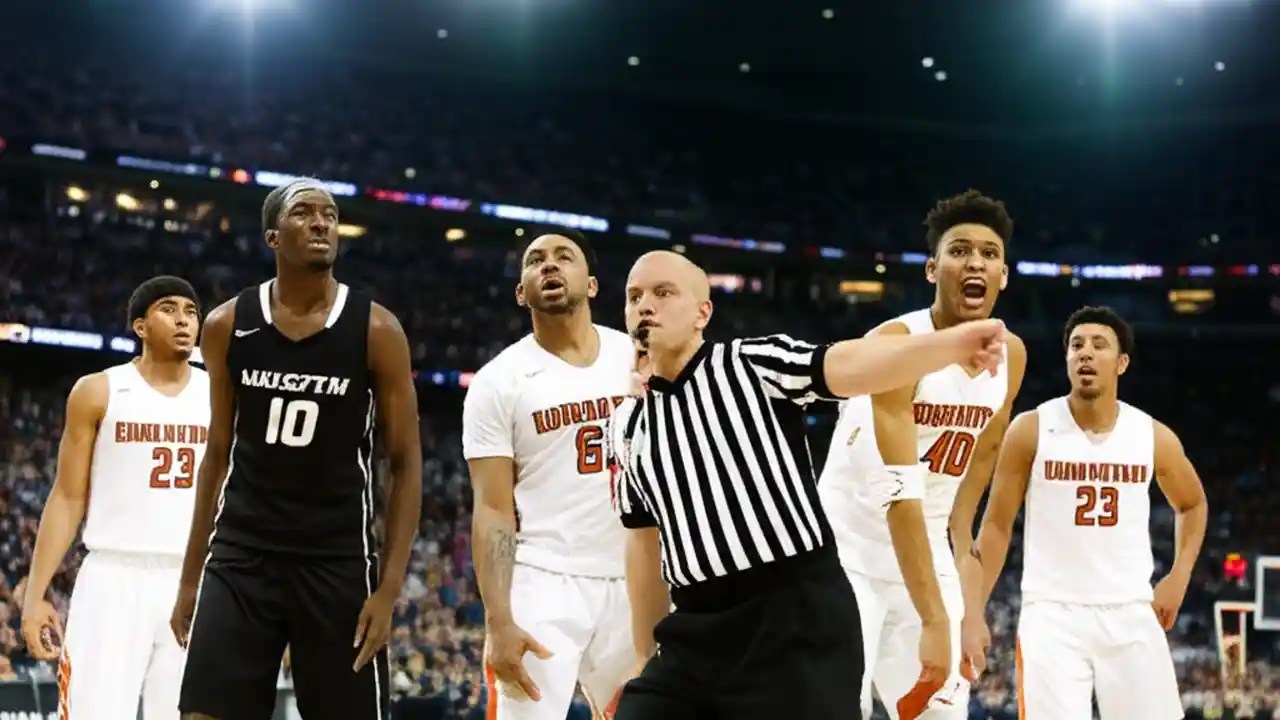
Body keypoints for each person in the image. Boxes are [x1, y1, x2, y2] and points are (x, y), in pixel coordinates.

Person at [608, 250, 1007, 720]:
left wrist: (949, 346)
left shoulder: (750, 364)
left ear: (703, 313)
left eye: (663, 292)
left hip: (796, 617)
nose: (644, 305)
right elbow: (642, 543)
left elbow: (850, 363)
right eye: (634, 296)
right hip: (695, 628)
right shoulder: (626, 425)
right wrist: (643, 653)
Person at [171, 180, 422, 720]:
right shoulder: (226, 325)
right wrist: (192, 578)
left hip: (336, 558)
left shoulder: (377, 329)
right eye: (304, 212)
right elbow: (216, 453)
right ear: (272, 236)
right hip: (243, 553)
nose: (321, 223)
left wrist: (389, 588)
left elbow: (405, 464)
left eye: (330, 215)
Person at [816, 190, 1027, 719]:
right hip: (847, 556)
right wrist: (936, 620)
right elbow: (899, 496)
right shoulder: (894, 344)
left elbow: (965, 502)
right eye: (959, 250)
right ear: (933, 269)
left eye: (988, 252)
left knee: (941, 713)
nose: (975, 261)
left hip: (927, 553)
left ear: (1003, 274)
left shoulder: (1012, 357)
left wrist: (967, 603)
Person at [972, 306, 1207, 719]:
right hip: (1052, 613)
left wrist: (1180, 574)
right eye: (1076, 345)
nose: (1086, 353)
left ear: (1121, 363)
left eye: (1099, 345)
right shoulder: (1031, 428)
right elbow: (995, 525)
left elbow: (1192, 503)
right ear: (1066, 359)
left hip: (1131, 609)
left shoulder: (1150, 435)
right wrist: (973, 609)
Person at [464, 228, 640, 719]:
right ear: (521, 290)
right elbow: (494, 507)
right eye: (535, 259)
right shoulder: (498, 381)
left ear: (593, 283)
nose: (550, 265)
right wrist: (499, 620)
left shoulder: (637, 357)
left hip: (637, 576)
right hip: (545, 582)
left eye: (565, 256)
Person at [21, 276, 208, 720]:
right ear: (140, 326)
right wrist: (34, 595)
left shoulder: (220, 393)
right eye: (169, 309)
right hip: (113, 576)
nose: (183, 320)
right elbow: (67, 497)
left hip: (195, 579)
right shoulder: (99, 390)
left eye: (191, 311)